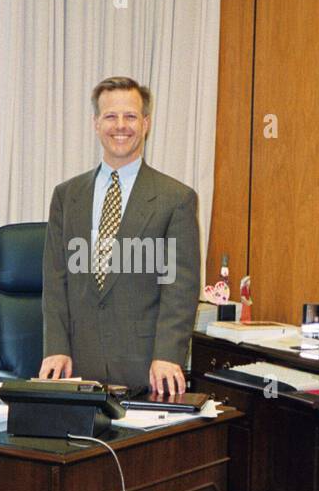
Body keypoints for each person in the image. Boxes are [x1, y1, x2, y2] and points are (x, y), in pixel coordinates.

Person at [39, 76, 199, 395]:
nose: (120, 126)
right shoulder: (66, 196)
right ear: (96, 123)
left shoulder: (176, 198)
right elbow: (55, 280)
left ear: (146, 123)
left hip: (146, 371)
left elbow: (179, 288)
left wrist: (167, 355)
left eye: (130, 116)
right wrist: (55, 346)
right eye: (111, 116)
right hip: (77, 368)